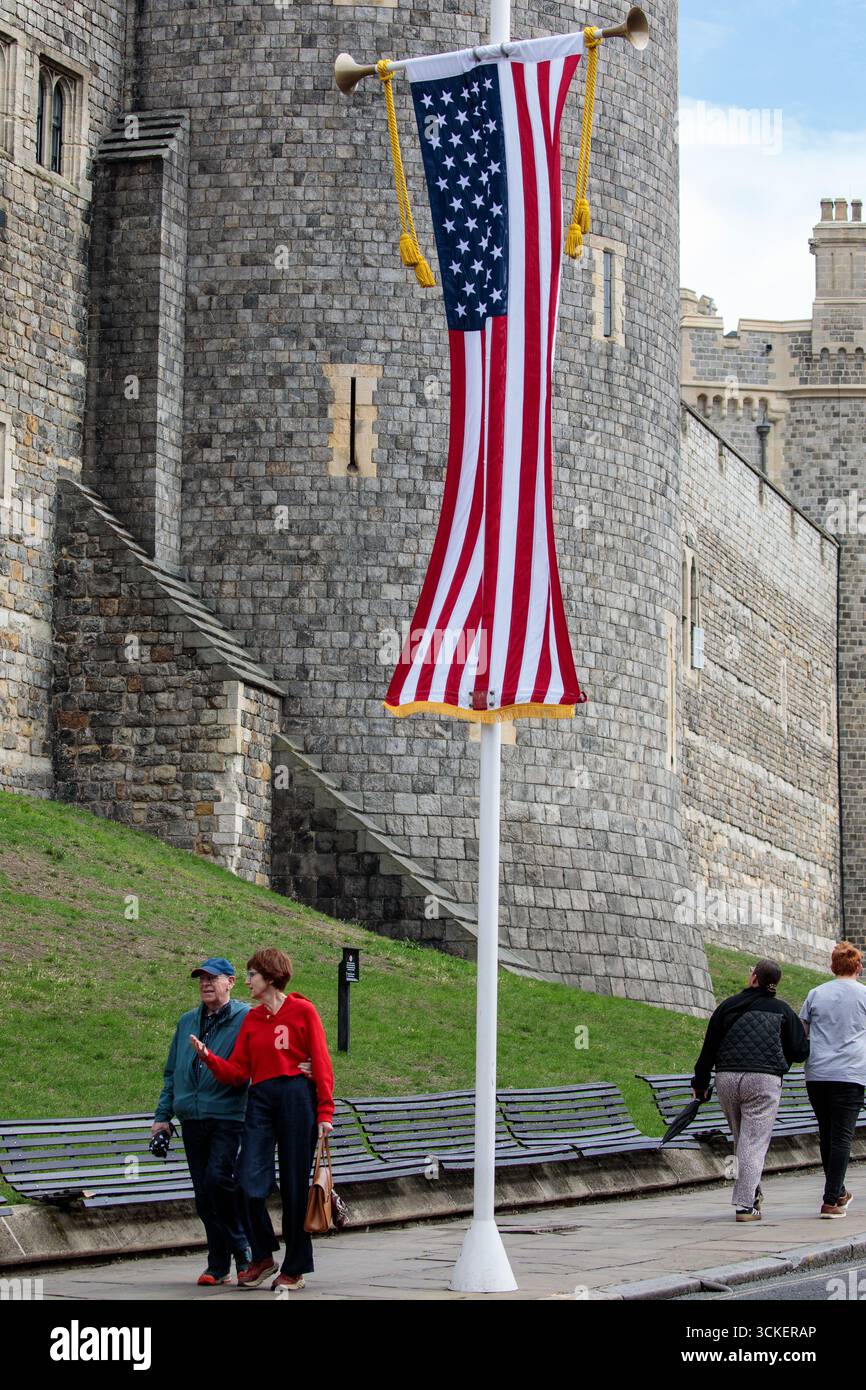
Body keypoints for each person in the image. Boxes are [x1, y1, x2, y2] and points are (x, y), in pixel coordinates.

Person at [191, 946, 335, 1292]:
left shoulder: (303, 1011)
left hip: (295, 1098)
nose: (248, 981)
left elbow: (322, 1061)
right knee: (245, 1181)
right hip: (261, 1098)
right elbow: (239, 1072)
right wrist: (209, 1058)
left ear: (270, 977)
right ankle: (263, 1255)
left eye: (253, 974)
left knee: (294, 1185)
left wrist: (325, 1112)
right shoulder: (253, 1019)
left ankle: (296, 1267)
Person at [153, 957, 253, 1286]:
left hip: (227, 1114)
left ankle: (243, 1249)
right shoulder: (187, 1022)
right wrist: (162, 1117)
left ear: (231, 982)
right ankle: (218, 1263)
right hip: (192, 1117)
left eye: (213, 978)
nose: (206, 984)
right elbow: (171, 1073)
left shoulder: (245, 1018)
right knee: (203, 1193)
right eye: (201, 979)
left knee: (217, 1180)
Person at [691, 958, 809, 1222]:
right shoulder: (783, 1011)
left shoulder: (727, 1007)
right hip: (763, 1079)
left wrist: (700, 1084)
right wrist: (783, 1061)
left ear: (754, 978)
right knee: (753, 1143)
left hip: (727, 1078)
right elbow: (801, 1051)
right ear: (774, 983)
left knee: (742, 1138)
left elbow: (708, 1049)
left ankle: (752, 1192)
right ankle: (745, 1205)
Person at [800, 941, 866, 1218]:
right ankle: (830, 1200)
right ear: (858, 967)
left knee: (827, 1133)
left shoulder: (816, 993)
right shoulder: (864, 994)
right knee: (841, 1136)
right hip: (850, 1073)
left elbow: (802, 1031)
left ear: (832, 966)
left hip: (818, 1073)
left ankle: (838, 1192)